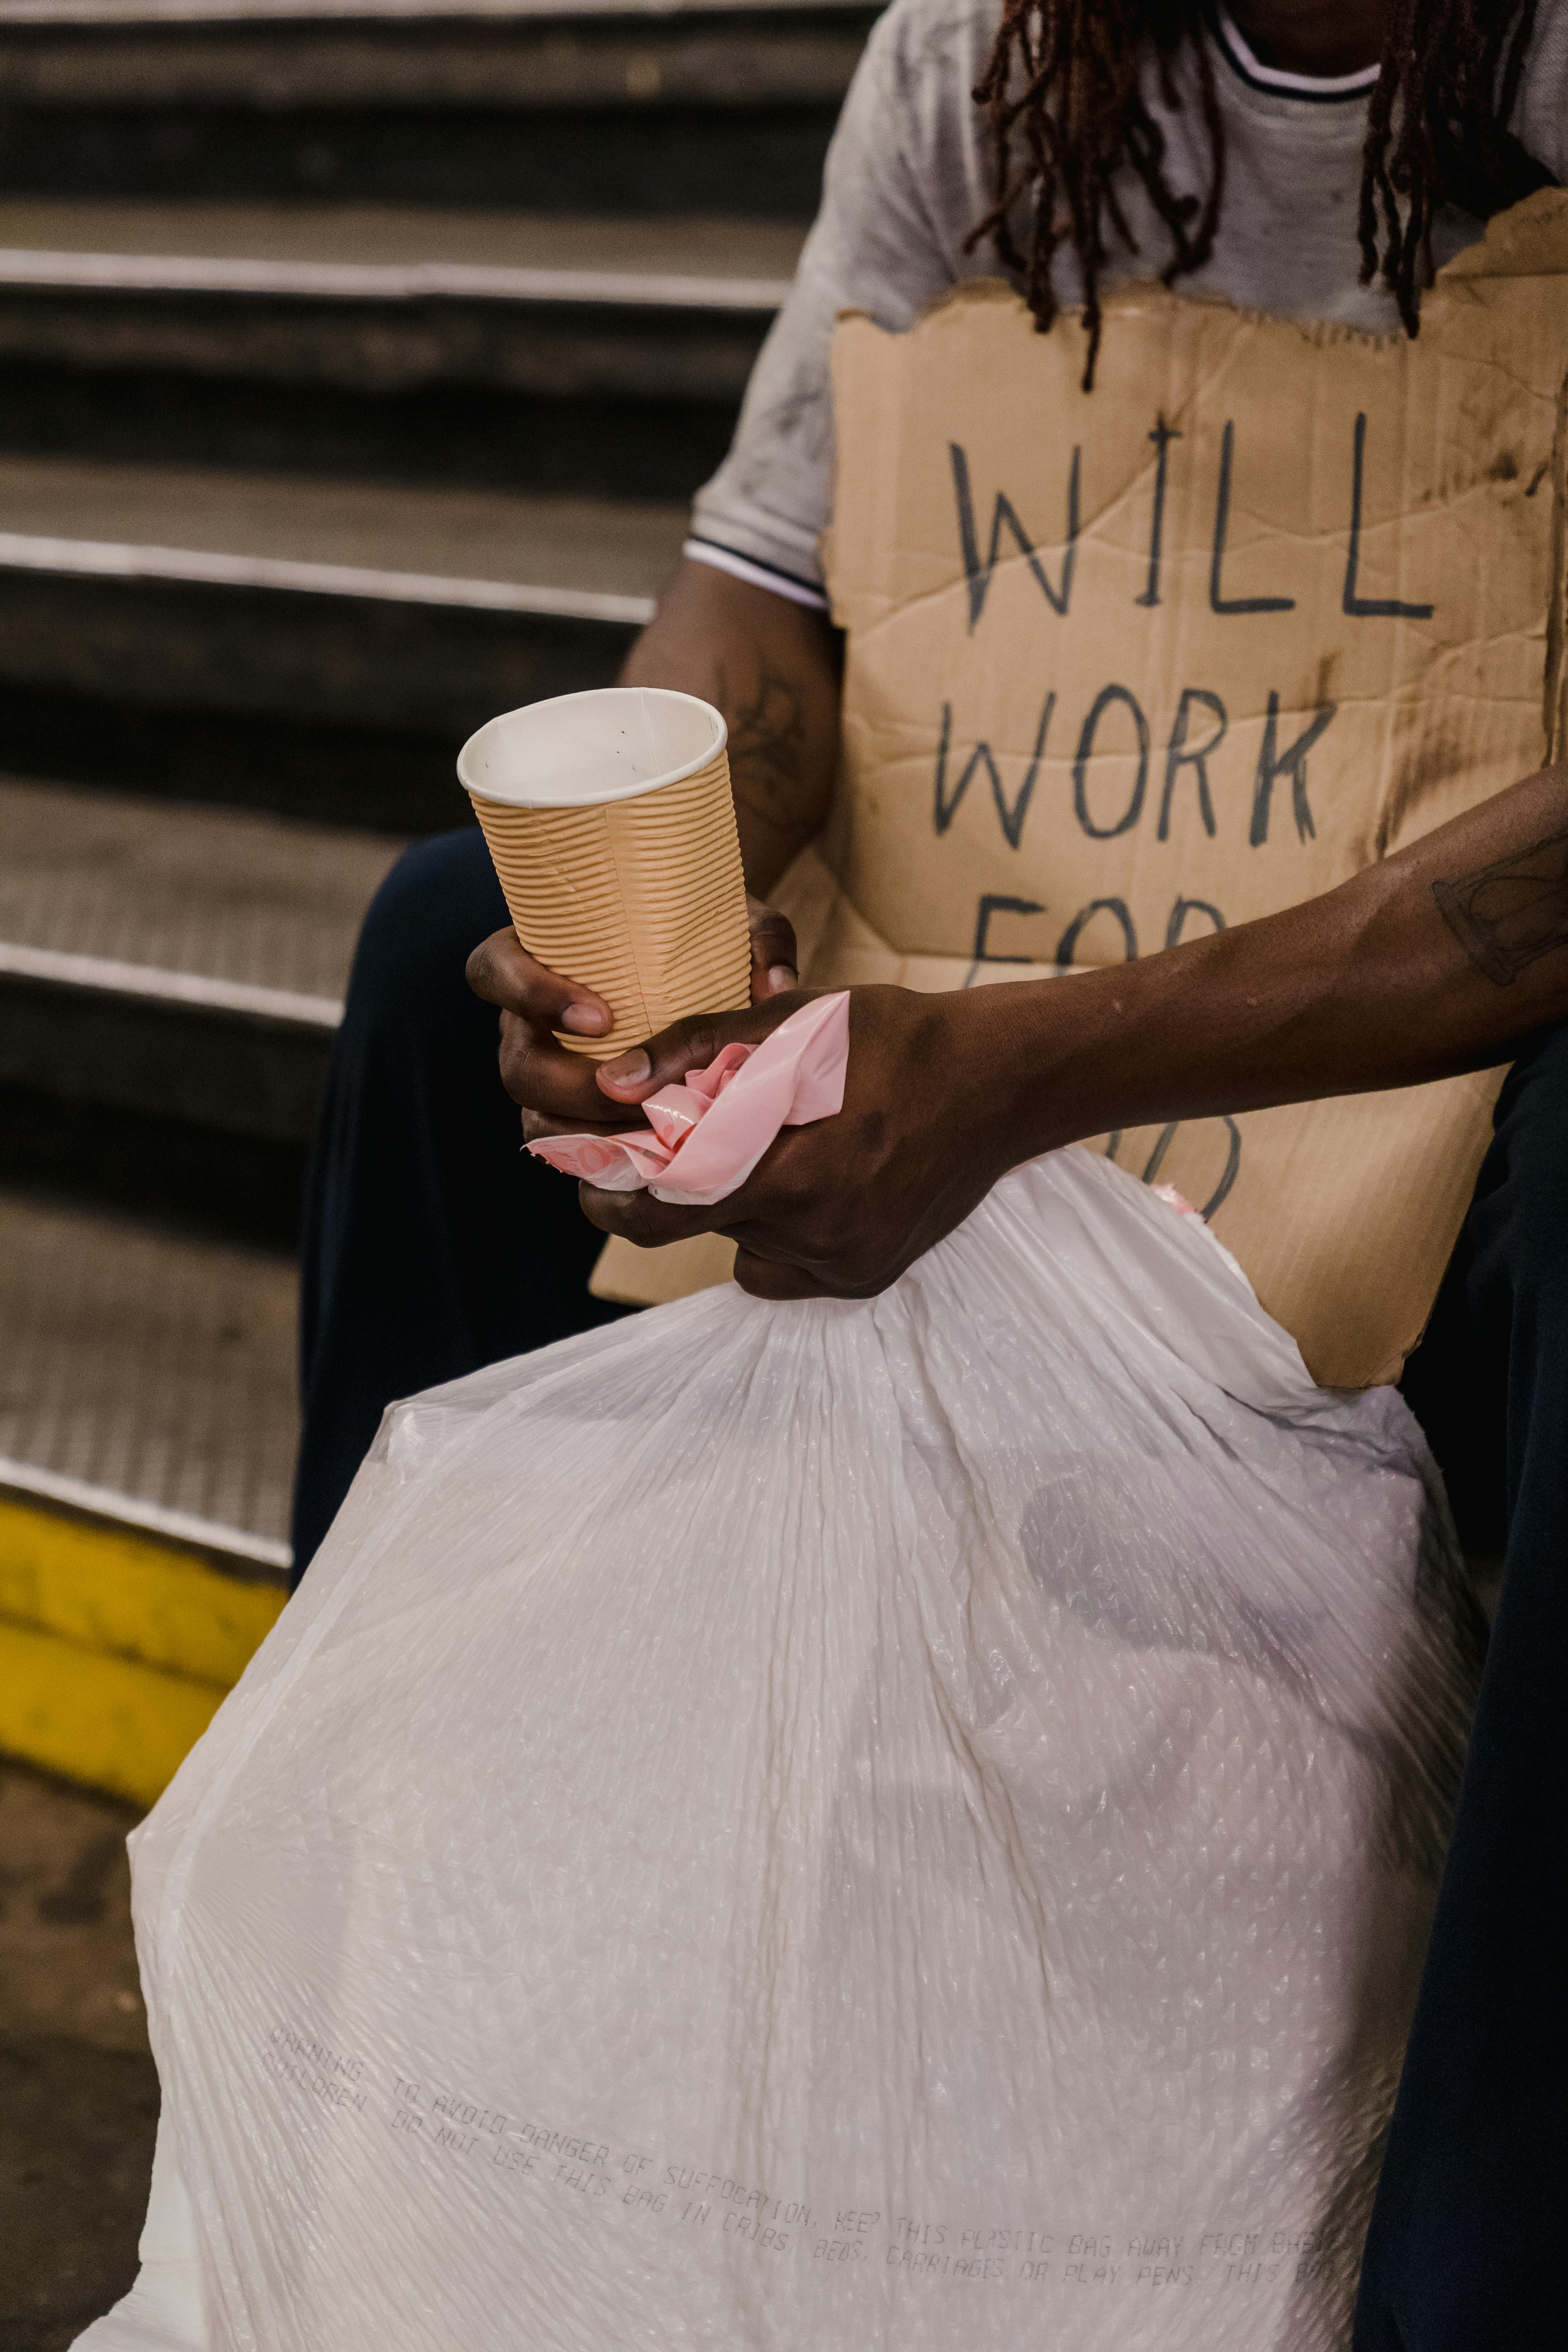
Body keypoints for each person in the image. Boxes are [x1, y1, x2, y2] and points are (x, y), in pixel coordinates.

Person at [293, 3, 1568, 2343]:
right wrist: (651, 960)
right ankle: (412, 1964)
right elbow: (763, 585)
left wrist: (1010, 1073)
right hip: (996, 965)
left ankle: (1492, 2252)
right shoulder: (988, 61)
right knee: (418, 956)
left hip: (1422, 1050)